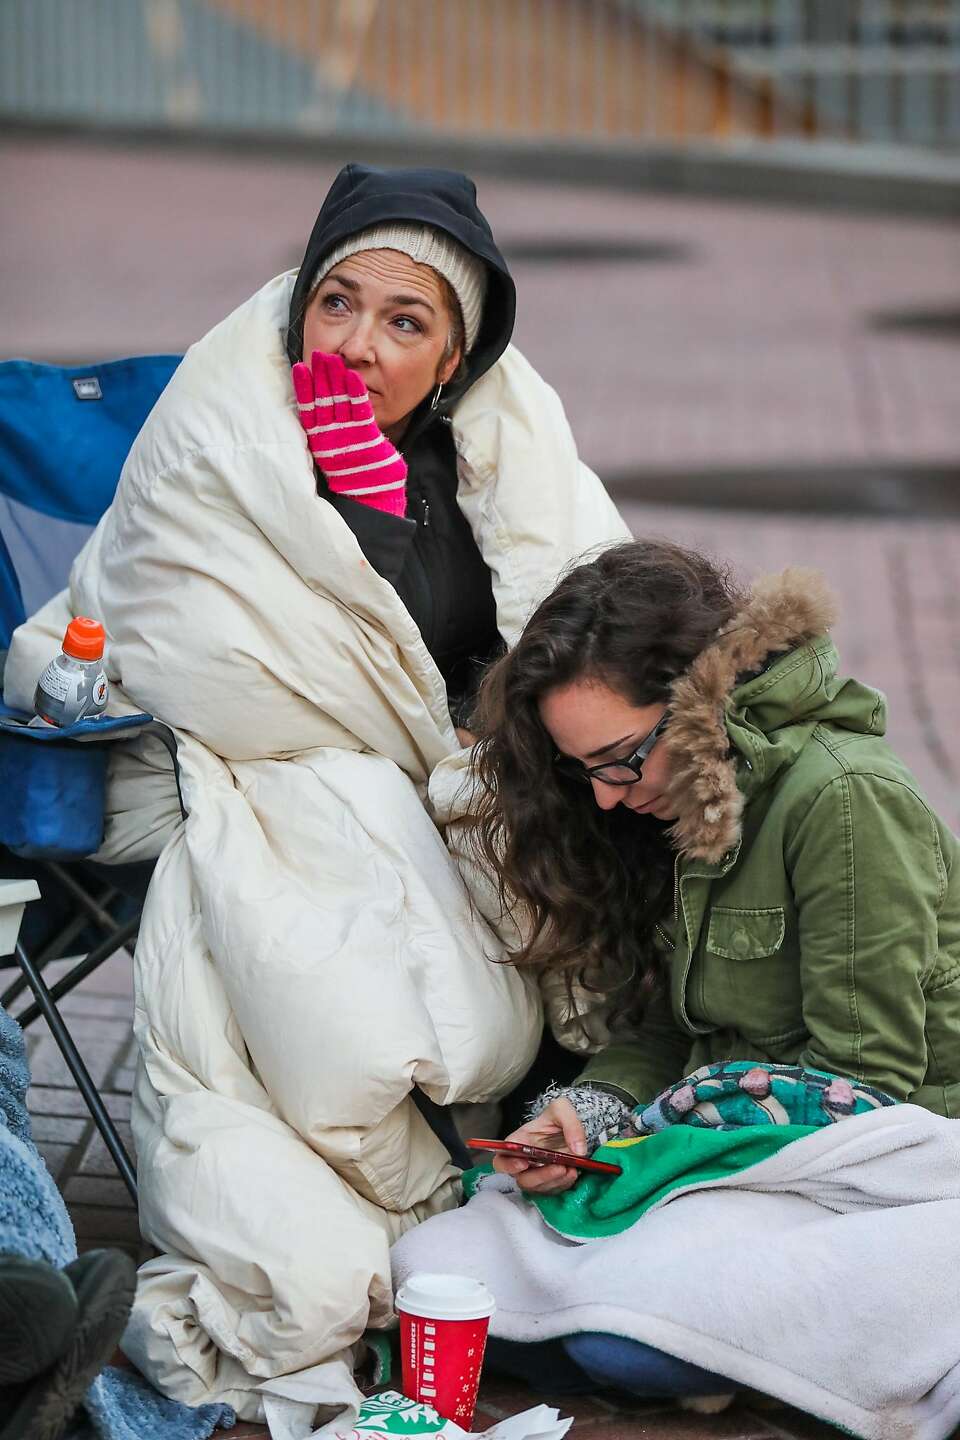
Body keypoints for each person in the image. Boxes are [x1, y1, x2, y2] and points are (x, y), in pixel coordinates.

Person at [3, 164, 627, 1424]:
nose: (356, 343)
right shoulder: (231, 431)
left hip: (453, 788)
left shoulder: (488, 457)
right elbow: (169, 613)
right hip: (239, 769)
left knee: (522, 846)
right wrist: (363, 514)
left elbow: (571, 620)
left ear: (454, 361)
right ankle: (410, 1196)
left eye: (406, 323)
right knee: (327, 839)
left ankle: (497, 1170)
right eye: (336, 302)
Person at [466, 538, 960, 1196]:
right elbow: (678, 1024)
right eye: (583, 770)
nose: (607, 794)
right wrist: (591, 1117)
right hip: (748, 1148)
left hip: (883, 1170)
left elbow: (862, 1088)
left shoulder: (840, 799)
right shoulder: (673, 807)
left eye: (620, 757)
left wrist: (663, 1158)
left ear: (699, 704)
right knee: (474, 1234)